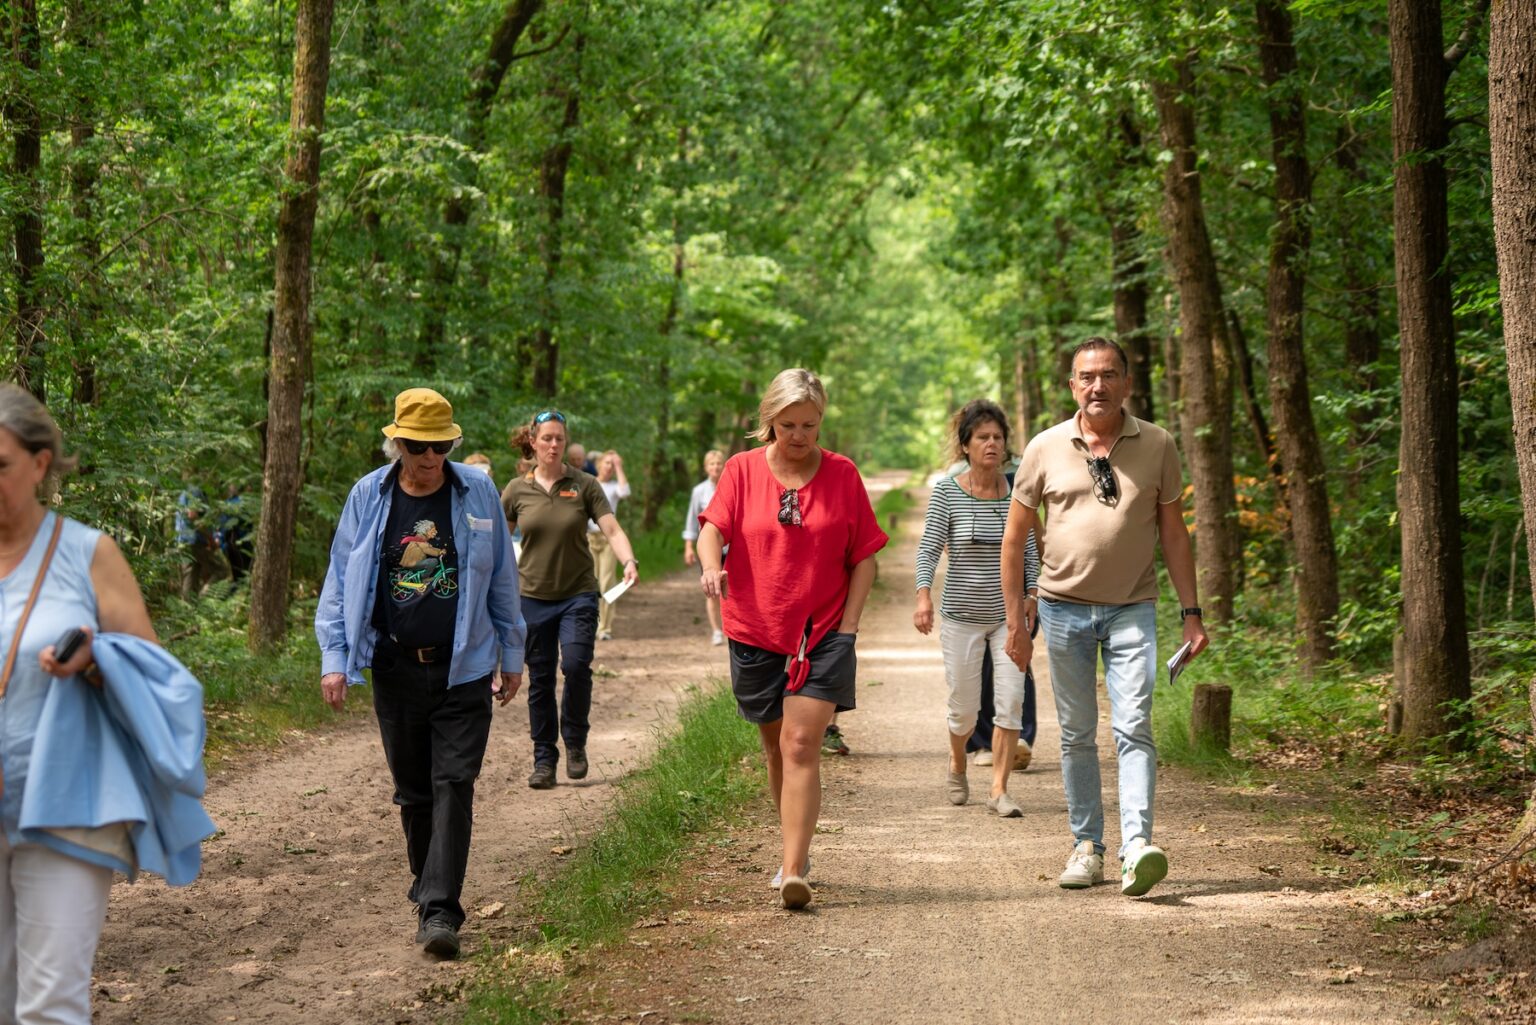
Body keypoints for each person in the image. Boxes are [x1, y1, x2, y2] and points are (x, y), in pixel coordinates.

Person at [0, 383, 210, 1024]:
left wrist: (96, 660)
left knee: (49, 1005)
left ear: (40, 464)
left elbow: (158, 680)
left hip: (66, 802)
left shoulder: (86, 554)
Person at [316, 387, 526, 960]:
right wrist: (335, 659)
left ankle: (439, 910)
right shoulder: (368, 496)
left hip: (465, 668)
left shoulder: (477, 490)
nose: (429, 458)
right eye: (417, 446)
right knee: (414, 791)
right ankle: (428, 883)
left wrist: (513, 654)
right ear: (396, 444)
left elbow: (503, 579)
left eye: (439, 446)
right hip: (395, 665)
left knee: (453, 783)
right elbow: (339, 581)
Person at [1003, 337, 1209, 898]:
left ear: (1127, 382)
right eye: (1086, 377)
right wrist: (1016, 623)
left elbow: (1173, 534)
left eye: (1108, 375)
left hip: (1132, 609)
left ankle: (1137, 845)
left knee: (1133, 726)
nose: (1098, 386)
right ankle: (1087, 847)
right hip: (1062, 609)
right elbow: (1014, 538)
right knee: (1075, 734)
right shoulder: (1044, 448)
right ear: (1072, 385)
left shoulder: (1158, 444)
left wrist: (1192, 614)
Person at [697, 368, 887, 911]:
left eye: (810, 424)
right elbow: (714, 529)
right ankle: (792, 847)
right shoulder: (740, 470)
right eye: (788, 425)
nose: (800, 436)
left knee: (802, 745)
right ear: (769, 422)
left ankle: (794, 865)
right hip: (756, 628)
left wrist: (848, 628)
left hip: (823, 631)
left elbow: (865, 557)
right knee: (775, 747)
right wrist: (712, 568)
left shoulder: (843, 475)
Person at [914, 400, 1038, 817]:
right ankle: (957, 759)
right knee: (963, 706)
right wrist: (923, 594)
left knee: (1010, 701)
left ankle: (999, 790)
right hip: (961, 617)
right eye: (982, 437)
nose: (991, 444)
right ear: (965, 445)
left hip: (1009, 619)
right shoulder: (947, 492)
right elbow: (929, 547)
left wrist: (1033, 594)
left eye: (997, 437)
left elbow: (1030, 547)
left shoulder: (1018, 491)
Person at [502, 411, 639, 789]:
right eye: (546, 438)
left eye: (559, 438)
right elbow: (498, 544)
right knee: (541, 678)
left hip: (578, 593)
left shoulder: (584, 484)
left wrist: (628, 560)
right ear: (532, 441)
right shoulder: (516, 490)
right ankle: (544, 758)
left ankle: (575, 742)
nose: (553, 445)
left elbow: (611, 527)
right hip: (531, 597)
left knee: (577, 666)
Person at [682, 449, 727, 645]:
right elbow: (692, 520)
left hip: (731, 548)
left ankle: (732, 629)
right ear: (706, 467)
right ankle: (717, 630)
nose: (715, 467)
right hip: (708, 549)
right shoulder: (699, 491)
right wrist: (689, 546)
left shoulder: (730, 487)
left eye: (718, 463)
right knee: (713, 589)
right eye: (712, 464)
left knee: (733, 591)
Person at [588, 450, 631, 641]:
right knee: (592, 582)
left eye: (612, 465)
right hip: (588, 538)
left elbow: (625, 492)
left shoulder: (614, 487)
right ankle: (592, 624)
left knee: (607, 582)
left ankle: (605, 627)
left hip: (608, 540)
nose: (610, 467)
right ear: (598, 465)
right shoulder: (590, 483)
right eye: (607, 463)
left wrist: (620, 466)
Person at [175, 475, 227, 597]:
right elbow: (192, 516)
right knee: (221, 570)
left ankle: (188, 612)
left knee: (190, 578)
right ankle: (203, 600)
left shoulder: (184, 493)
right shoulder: (195, 491)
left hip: (182, 541)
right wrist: (210, 539)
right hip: (194, 542)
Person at [215, 482, 253, 581]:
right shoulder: (242, 504)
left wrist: (222, 544)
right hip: (240, 544)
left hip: (230, 545)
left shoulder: (226, 504)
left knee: (236, 574)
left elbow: (221, 527)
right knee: (244, 573)